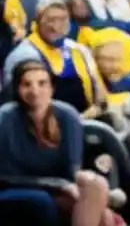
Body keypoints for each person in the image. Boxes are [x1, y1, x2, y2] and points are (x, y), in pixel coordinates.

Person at [0, 60, 116, 226]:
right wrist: (58, 185)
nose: (35, 91)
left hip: (63, 188)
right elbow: (5, 176)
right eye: (27, 84)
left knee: (96, 185)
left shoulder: (67, 115)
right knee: (103, 217)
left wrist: (73, 184)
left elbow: (72, 169)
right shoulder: (5, 117)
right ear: (17, 88)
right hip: (20, 186)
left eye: (42, 83)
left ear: (52, 88)